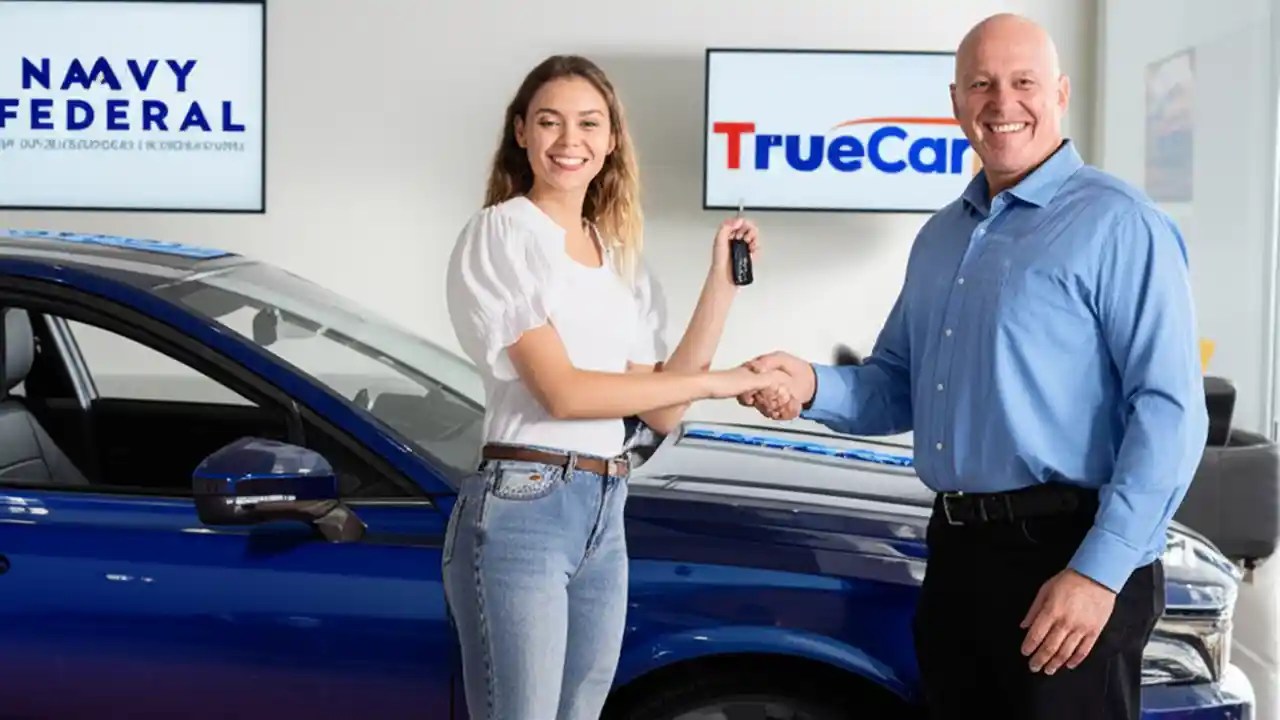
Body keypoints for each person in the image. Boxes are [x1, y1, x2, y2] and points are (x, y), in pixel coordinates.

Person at [740, 13, 1207, 720]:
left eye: (1023, 82)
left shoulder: (1119, 224)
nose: (1001, 102)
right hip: (959, 556)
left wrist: (1097, 572)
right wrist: (808, 385)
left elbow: (1170, 411)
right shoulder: (941, 237)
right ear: (955, 101)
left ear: (1061, 93)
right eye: (981, 84)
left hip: (1069, 554)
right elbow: (896, 384)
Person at [442, 54, 786, 720]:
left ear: (611, 139)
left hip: (605, 507)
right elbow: (565, 394)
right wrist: (727, 381)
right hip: (524, 510)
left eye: (588, 124)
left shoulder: (610, 250)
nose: (569, 142)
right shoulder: (501, 233)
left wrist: (721, 284)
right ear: (520, 132)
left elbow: (662, 407)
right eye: (549, 122)